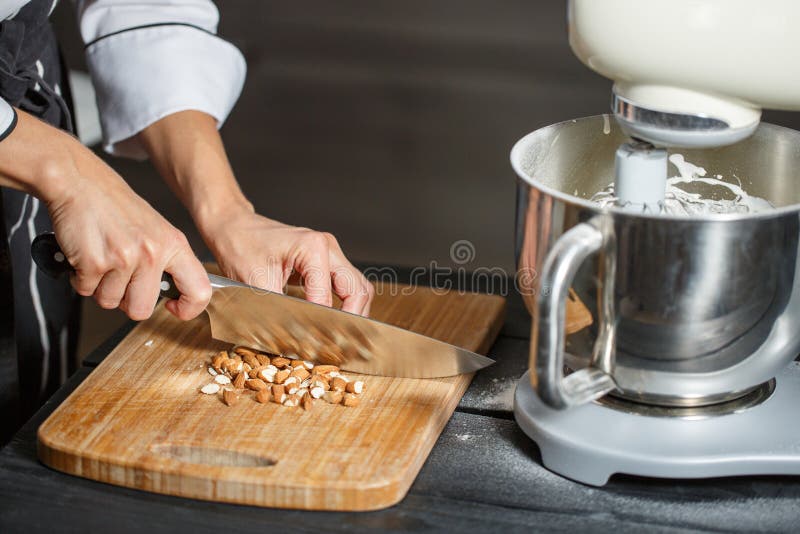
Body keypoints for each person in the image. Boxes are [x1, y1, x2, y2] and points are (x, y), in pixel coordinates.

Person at [0, 0, 374, 441]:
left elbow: (145, 9)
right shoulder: (65, 174)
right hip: (36, 154)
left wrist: (228, 213)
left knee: (24, 421)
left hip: (24, 105)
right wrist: (70, 175)